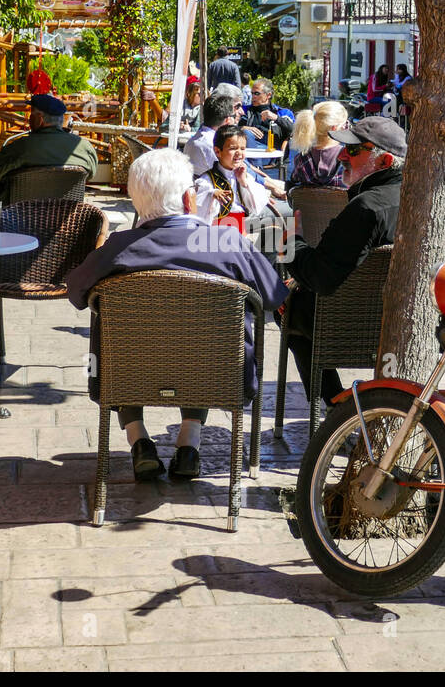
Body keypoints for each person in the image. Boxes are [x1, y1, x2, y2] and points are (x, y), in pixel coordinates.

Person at [65, 149, 287, 481]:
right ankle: (189, 441)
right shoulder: (227, 241)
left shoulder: (118, 247)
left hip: (128, 374)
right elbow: (272, 296)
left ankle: (138, 438)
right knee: (204, 346)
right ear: (188, 198)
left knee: (112, 330)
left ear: (135, 201)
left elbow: (75, 294)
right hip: (219, 374)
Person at [284, 116, 406, 407]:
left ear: (384, 161)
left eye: (353, 151)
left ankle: (336, 406)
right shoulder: (414, 197)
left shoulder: (366, 207)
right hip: (397, 320)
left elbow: (321, 278)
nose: (340, 156)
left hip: (350, 324)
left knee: (290, 308)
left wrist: (289, 242)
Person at [0, 93, 97, 190]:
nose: (29, 118)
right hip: (67, 212)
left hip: (21, 213)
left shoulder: (22, 146)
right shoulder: (84, 147)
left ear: (40, 119)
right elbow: (90, 175)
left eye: (31, 113)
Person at [194, 123, 278, 224]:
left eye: (242, 148)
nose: (239, 153)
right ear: (217, 151)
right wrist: (212, 194)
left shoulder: (243, 175)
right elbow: (198, 201)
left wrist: (244, 183)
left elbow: (256, 206)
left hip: (241, 226)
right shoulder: (207, 179)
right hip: (218, 230)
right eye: (233, 148)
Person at [288, 100, 348, 189]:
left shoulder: (301, 159)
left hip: (307, 202)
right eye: (345, 124)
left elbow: (294, 183)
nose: (347, 127)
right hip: (344, 203)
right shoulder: (349, 157)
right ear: (334, 128)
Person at [240, 77, 294, 150]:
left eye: (256, 93)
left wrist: (276, 118)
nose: (253, 96)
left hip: (273, 153)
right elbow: (228, 129)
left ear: (268, 95)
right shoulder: (244, 111)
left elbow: (295, 130)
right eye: (252, 93)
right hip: (248, 152)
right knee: (247, 133)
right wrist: (242, 128)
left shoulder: (282, 112)